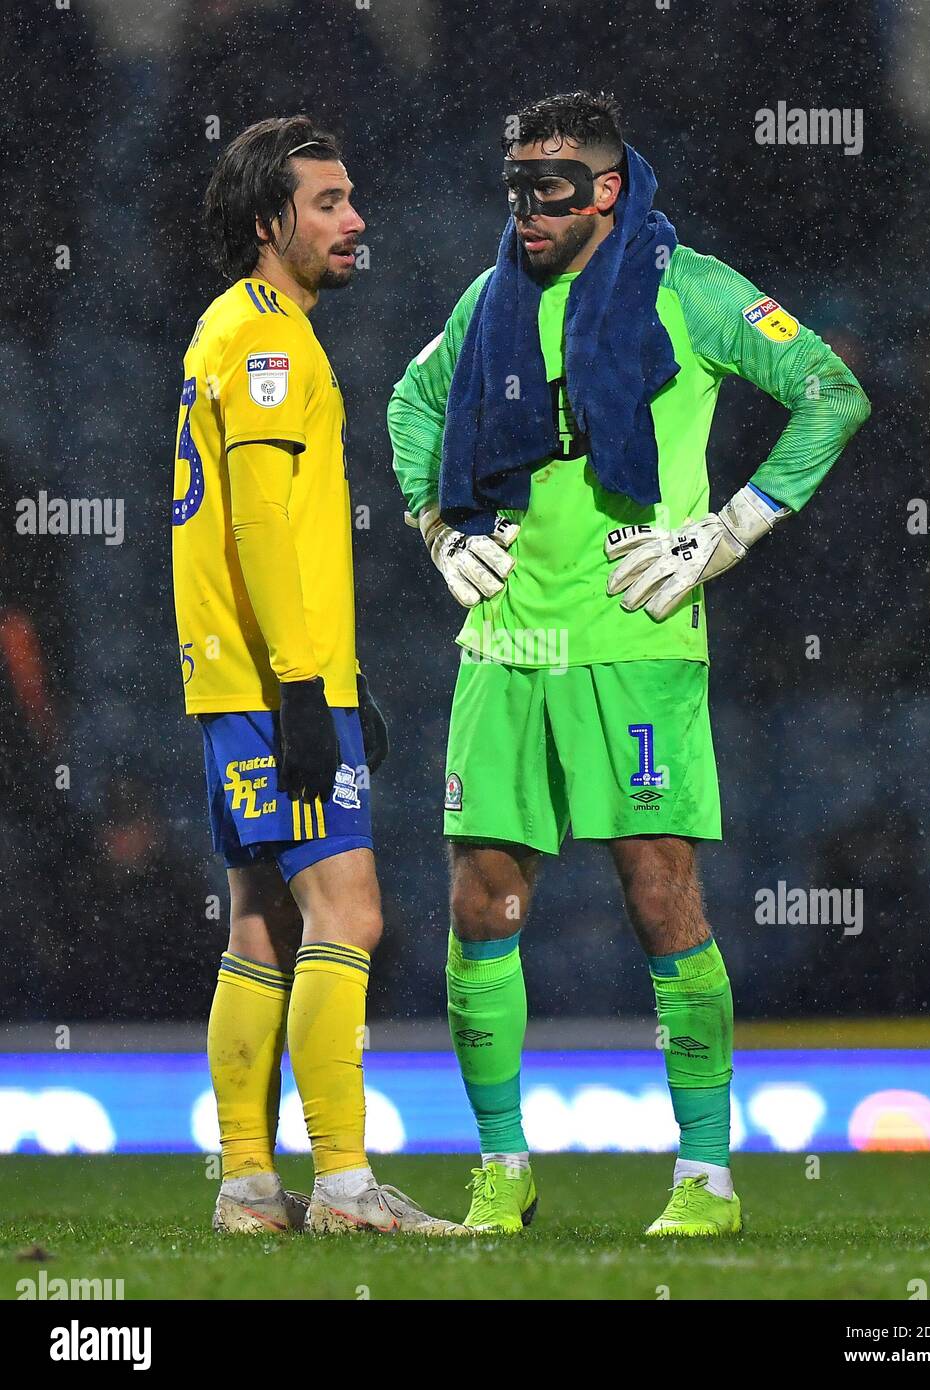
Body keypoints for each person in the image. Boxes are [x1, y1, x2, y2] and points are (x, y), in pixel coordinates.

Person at [388, 91, 870, 1236]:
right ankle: (501, 1169)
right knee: (481, 904)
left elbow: (830, 391)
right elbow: (412, 400)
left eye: (550, 189)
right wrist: (439, 525)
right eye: (515, 187)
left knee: (661, 898)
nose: (528, 209)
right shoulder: (490, 298)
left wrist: (732, 527)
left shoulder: (688, 285)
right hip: (507, 641)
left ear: (607, 190)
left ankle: (706, 1178)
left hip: (635, 635)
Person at [172, 115, 461, 1236]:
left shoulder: (231, 326)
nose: (355, 220)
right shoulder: (271, 342)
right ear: (268, 222)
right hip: (273, 682)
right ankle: (343, 1183)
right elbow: (255, 521)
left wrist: (335, 673)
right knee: (350, 912)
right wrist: (303, 682)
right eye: (328, 203)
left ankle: (251, 1187)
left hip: (236, 679)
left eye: (352, 198)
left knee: (260, 924)